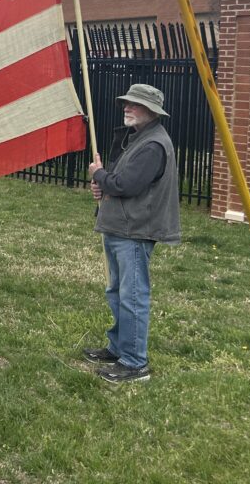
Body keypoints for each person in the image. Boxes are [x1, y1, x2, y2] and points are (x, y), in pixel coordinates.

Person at [84, 83, 180, 384]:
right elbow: (119, 182)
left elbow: (127, 185)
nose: (127, 107)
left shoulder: (153, 145)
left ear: (151, 111)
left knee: (133, 296)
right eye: (126, 102)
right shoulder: (138, 139)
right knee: (117, 292)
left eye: (134, 104)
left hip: (134, 232)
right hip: (120, 227)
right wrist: (103, 183)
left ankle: (136, 363)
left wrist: (99, 175)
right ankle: (118, 348)